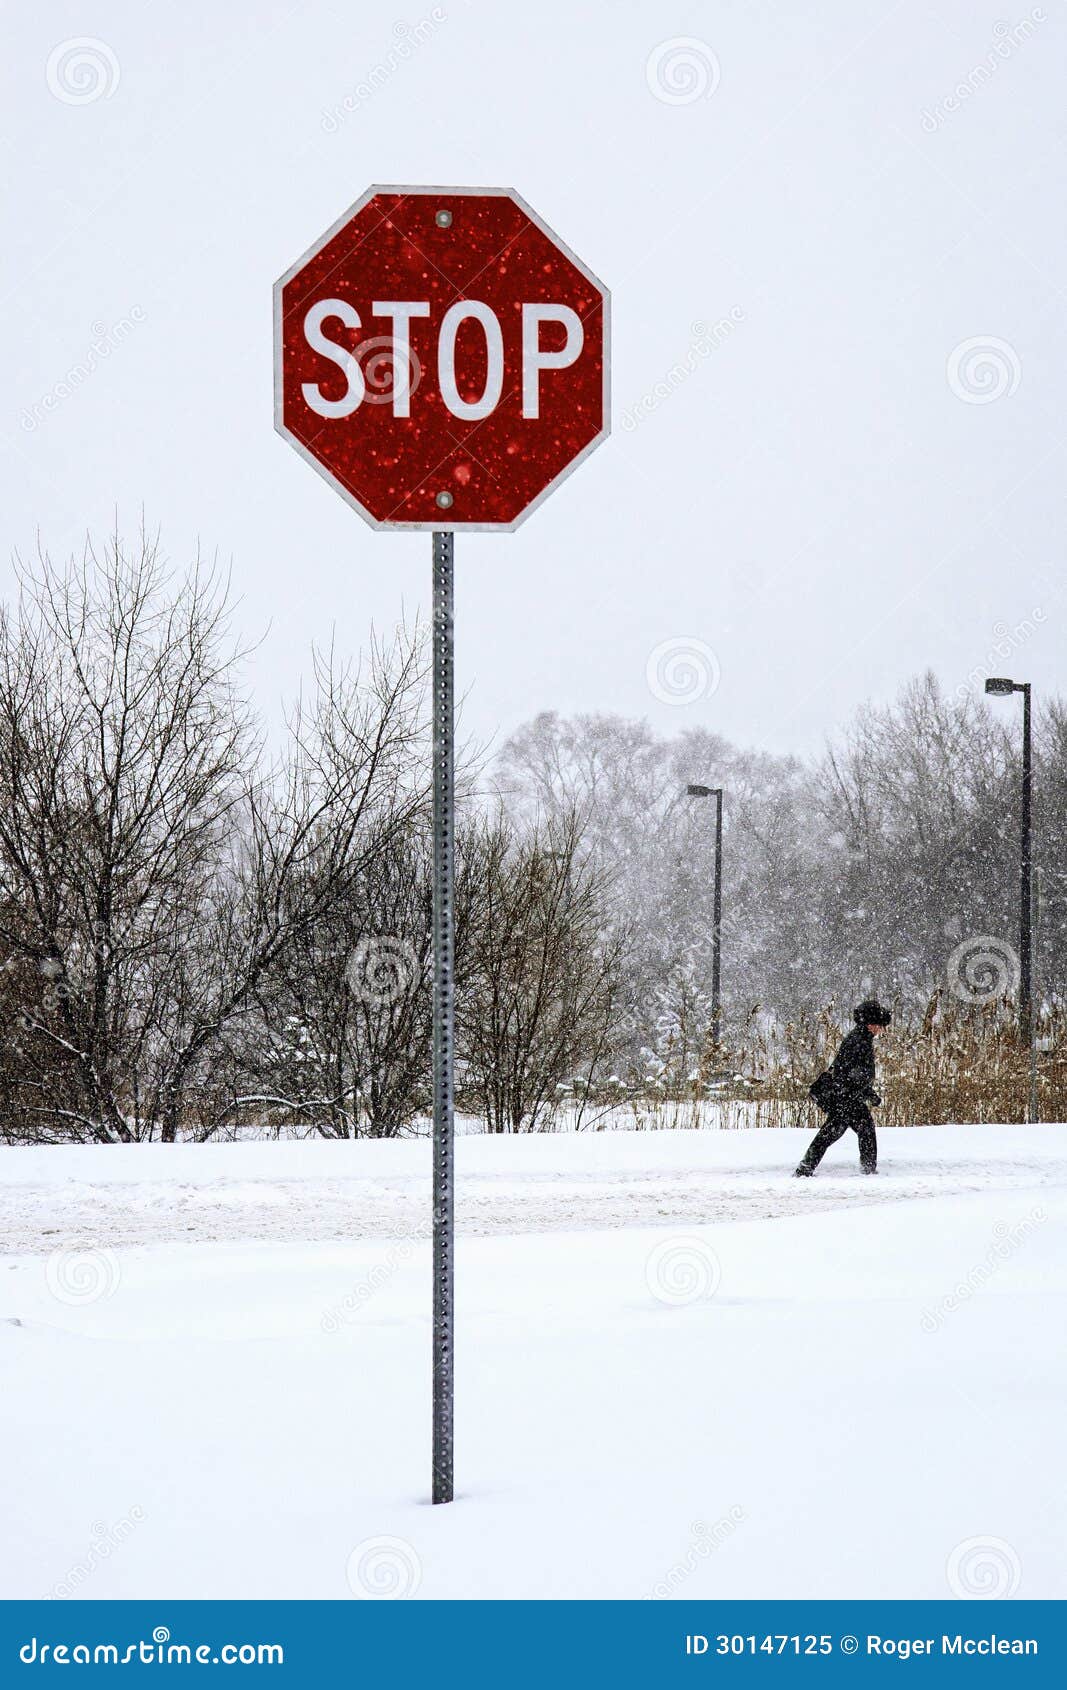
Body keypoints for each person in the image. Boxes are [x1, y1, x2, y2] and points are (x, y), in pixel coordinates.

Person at [794, 999, 892, 1177]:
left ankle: (868, 1169)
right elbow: (851, 1074)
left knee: (861, 1130)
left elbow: (857, 1074)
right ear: (870, 1024)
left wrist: (868, 1093)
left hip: (849, 1096)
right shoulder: (858, 1042)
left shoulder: (860, 1039)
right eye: (879, 1025)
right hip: (846, 1098)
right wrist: (866, 1093)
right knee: (833, 1133)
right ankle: (805, 1169)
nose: (880, 1029)